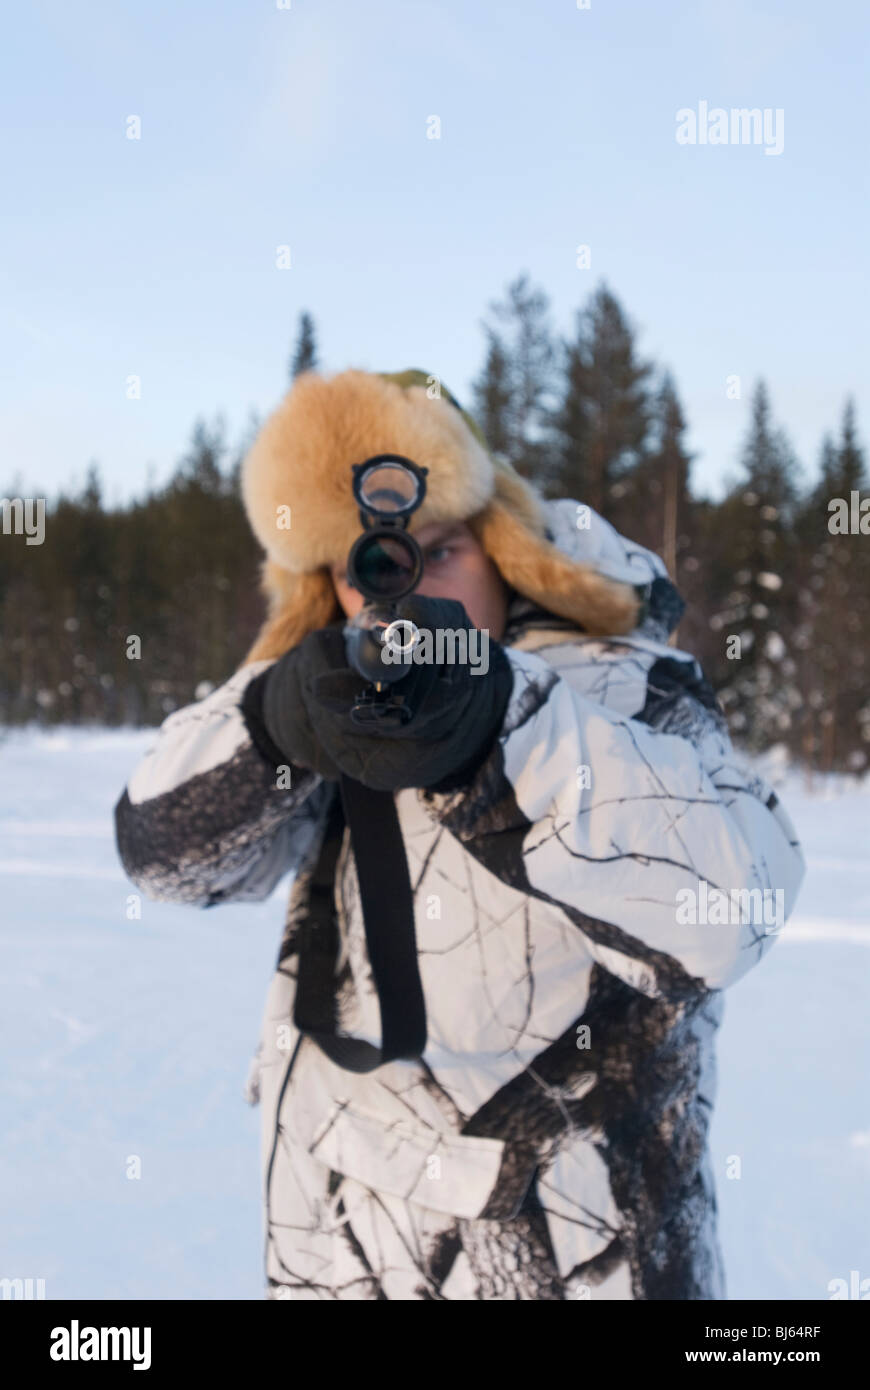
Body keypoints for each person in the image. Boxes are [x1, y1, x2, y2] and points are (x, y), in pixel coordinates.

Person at [114, 366, 805, 1300]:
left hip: (583, 1257)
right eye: (367, 566)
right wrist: (273, 720)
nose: (403, 586)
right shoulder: (328, 704)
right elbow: (162, 859)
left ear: (503, 543)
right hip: (337, 1247)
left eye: (436, 550)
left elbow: (730, 911)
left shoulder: (622, 687)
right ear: (327, 589)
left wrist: (500, 726)